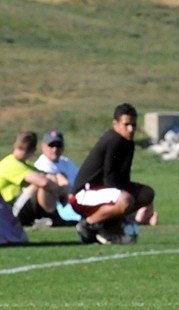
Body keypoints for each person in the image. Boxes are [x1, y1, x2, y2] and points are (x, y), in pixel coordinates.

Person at [72, 103, 156, 245]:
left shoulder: (128, 144)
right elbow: (109, 178)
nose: (131, 129)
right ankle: (88, 224)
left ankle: (107, 224)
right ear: (115, 124)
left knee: (146, 193)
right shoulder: (113, 139)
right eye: (126, 124)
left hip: (103, 191)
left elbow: (123, 178)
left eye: (134, 125)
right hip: (83, 194)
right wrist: (123, 204)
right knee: (125, 200)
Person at [0, 131, 69, 229]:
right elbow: (43, 182)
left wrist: (59, 178)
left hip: (19, 206)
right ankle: (52, 215)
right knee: (40, 183)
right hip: (10, 210)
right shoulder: (10, 164)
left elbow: (50, 175)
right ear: (34, 150)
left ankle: (50, 216)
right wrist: (62, 193)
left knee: (50, 178)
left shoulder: (24, 164)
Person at [34, 129, 81, 225]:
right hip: (57, 204)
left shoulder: (66, 162)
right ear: (43, 147)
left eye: (58, 145)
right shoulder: (41, 164)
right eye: (51, 145)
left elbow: (79, 180)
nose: (55, 149)